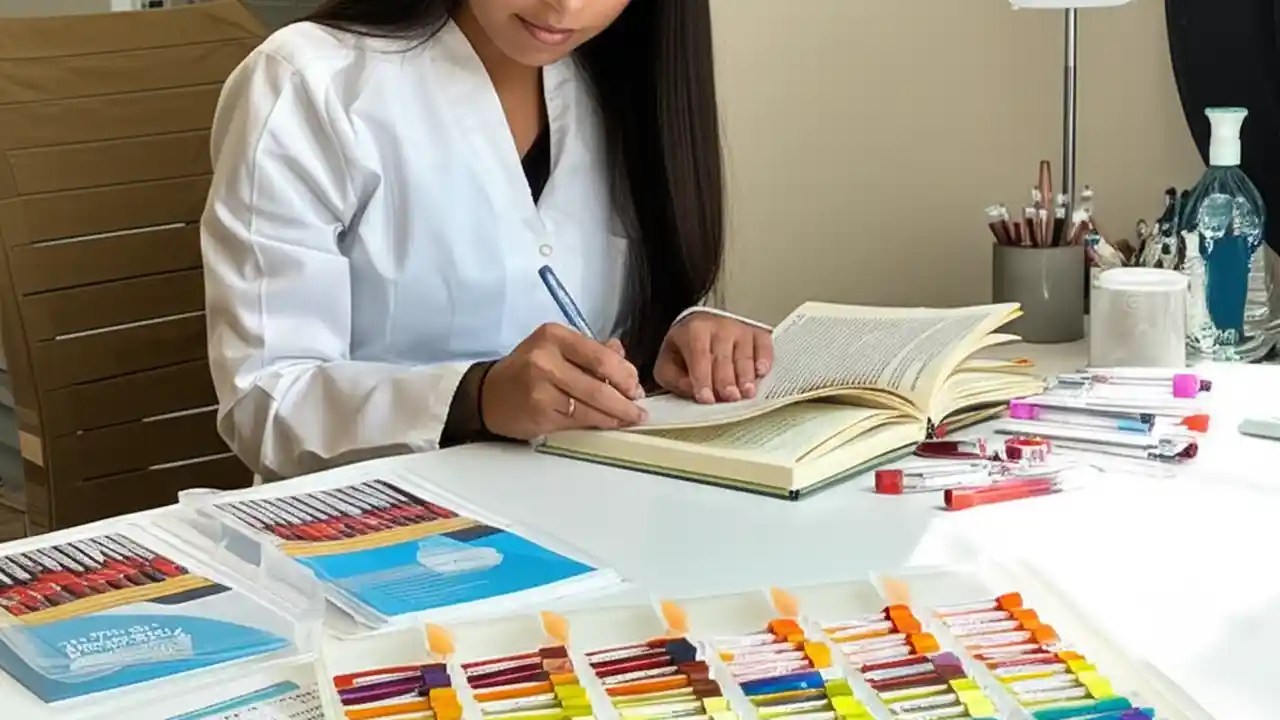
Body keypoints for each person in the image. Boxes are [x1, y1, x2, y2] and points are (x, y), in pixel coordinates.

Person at [201, 0, 773, 480]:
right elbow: (265, 401)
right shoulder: (309, 81)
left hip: (590, 504)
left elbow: (607, 319)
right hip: (377, 529)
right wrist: (475, 397)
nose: (566, 5)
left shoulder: (623, 80)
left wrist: (677, 339)